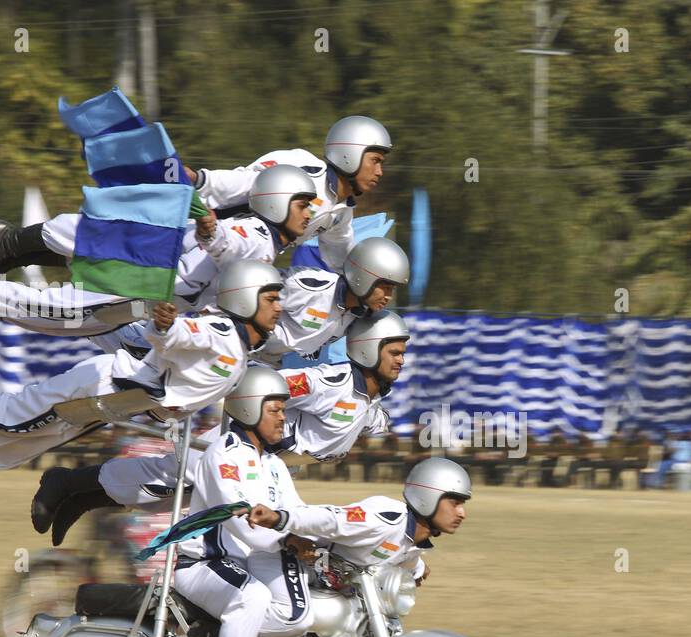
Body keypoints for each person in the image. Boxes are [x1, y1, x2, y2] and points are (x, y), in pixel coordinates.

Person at [0, 260, 284, 503]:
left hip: (119, 404)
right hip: (105, 387)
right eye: (271, 298)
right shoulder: (222, 334)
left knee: (15, 444)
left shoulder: (242, 349)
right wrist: (166, 327)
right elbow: (178, 337)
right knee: (5, 419)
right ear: (245, 298)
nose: (278, 307)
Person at [33, 309, 412, 544]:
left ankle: (80, 498)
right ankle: (65, 484)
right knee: (169, 478)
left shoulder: (369, 402)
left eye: (402, 353)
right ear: (368, 349)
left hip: (270, 463)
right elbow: (273, 384)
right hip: (245, 441)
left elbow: (361, 421)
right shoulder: (332, 383)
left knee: (172, 497)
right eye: (394, 353)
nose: (401, 361)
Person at [0, 165, 317, 335]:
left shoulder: (268, 243)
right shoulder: (258, 235)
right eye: (302, 204)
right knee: (54, 311)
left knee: (64, 316)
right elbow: (229, 244)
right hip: (147, 284)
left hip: (153, 292)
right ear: (277, 201)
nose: (309, 212)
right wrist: (211, 229)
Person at [166, 365, 315, 637]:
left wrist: (329, 538)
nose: (284, 418)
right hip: (203, 564)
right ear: (248, 409)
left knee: (302, 605)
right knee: (253, 597)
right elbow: (244, 525)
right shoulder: (224, 456)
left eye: (284, 409)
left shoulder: (275, 465)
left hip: (243, 563)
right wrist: (289, 540)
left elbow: (297, 515)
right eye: (275, 409)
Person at [188, 115, 392, 270]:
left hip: (241, 264)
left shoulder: (341, 214)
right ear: (350, 153)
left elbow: (340, 260)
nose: (379, 172)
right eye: (375, 161)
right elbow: (245, 181)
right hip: (202, 240)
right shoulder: (304, 167)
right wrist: (201, 180)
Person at [247, 456, 472, 589]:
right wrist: (280, 518)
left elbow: (402, 557)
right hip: (287, 565)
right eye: (454, 503)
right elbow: (330, 519)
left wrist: (418, 570)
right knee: (295, 620)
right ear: (428, 497)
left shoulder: (414, 543)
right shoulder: (384, 518)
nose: (462, 513)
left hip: (326, 586)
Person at [249, 237, 409, 367]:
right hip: (242, 351)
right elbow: (250, 288)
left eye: (392, 290)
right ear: (365, 277)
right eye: (386, 288)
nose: (389, 297)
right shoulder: (309, 286)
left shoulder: (358, 318)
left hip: (272, 366)